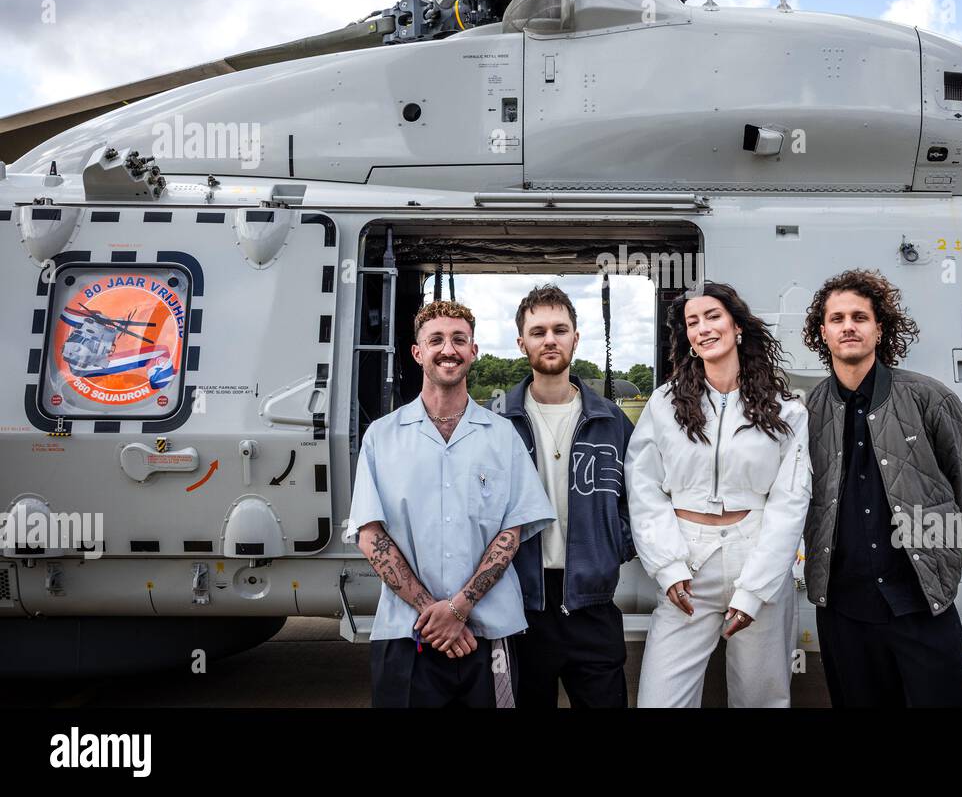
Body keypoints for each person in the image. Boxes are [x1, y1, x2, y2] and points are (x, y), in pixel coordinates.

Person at [345, 300, 556, 708]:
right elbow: (371, 536)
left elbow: (511, 533)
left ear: (473, 351)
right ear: (417, 352)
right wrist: (434, 613)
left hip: (488, 632)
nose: (448, 349)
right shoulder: (382, 437)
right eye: (436, 339)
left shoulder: (502, 436)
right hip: (408, 632)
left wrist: (458, 609)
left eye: (460, 340)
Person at [801, 269, 962, 707]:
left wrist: (940, 561)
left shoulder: (928, 398)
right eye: (837, 318)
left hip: (919, 605)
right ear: (823, 332)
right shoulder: (809, 410)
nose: (849, 326)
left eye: (860, 317)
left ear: (879, 328)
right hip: (843, 609)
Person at [627, 281, 810, 708]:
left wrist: (754, 591)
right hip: (687, 567)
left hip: (757, 561)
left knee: (761, 699)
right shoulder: (664, 405)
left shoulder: (787, 410)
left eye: (712, 316)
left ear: (737, 326)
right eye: (693, 322)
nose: (703, 328)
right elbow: (643, 485)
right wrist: (667, 566)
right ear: (687, 338)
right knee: (661, 700)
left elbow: (790, 502)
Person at [501, 284, 636, 708]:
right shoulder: (497, 424)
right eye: (538, 331)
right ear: (522, 341)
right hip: (523, 604)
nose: (550, 339)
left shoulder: (611, 421)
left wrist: (612, 545)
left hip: (592, 604)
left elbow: (640, 501)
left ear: (576, 338)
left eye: (560, 329)